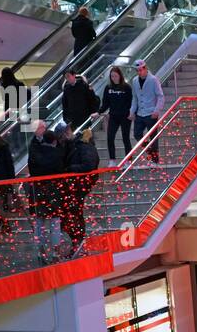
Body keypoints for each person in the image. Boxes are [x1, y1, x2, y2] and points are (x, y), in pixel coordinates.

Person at [28, 121, 66, 262]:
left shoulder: (34, 150)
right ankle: (55, 252)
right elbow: (60, 169)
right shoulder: (57, 153)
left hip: (37, 188)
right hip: (53, 189)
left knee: (39, 221)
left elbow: (32, 168)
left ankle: (41, 251)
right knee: (55, 221)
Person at [63, 127, 100, 255]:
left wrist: (70, 169)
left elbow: (89, 165)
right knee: (72, 215)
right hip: (75, 186)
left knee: (75, 214)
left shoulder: (84, 147)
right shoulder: (75, 146)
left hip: (78, 186)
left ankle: (78, 242)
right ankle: (77, 242)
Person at [129, 60, 166, 162]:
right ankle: (150, 152)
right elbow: (135, 98)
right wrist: (132, 111)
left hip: (151, 113)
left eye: (140, 70)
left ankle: (155, 160)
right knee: (137, 134)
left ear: (145, 68)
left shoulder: (153, 79)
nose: (139, 72)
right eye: (137, 70)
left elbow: (160, 96)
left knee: (153, 137)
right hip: (140, 113)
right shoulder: (135, 80)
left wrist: (157, 110)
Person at [101, 66, 134, 160]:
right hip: (113, 117)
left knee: (125, 138)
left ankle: (129, 160)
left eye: (115, 76)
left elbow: (131, 102)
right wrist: (99, 112)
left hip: (125, 116)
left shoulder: (126, 87)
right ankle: (112, 160)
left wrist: (132, 113)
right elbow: (105, 104)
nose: (114, 78)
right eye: (112, 76)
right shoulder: (108, 88)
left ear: (120, 76)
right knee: (110, 137)